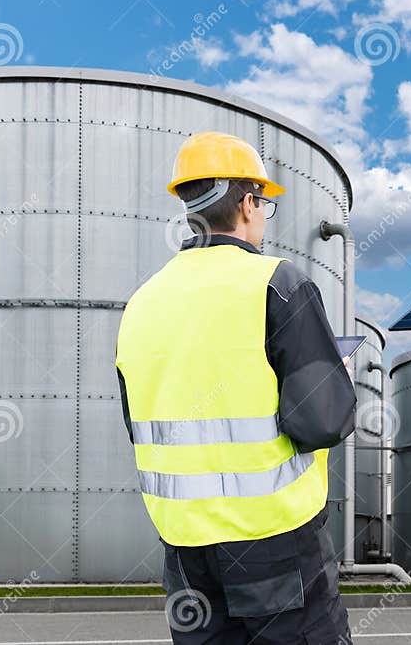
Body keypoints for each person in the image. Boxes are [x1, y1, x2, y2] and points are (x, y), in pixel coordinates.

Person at [115, 131, 356, 644]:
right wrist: (341, 381)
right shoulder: (276, 282)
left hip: (184, 550)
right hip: (275, 541)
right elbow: (322, 420)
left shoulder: (141, 303)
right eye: (264, 203)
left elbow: (137, 424)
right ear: (248, 203)